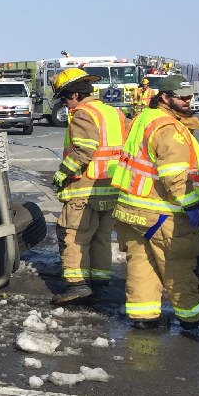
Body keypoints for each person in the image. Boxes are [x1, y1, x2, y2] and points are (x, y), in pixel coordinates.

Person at [111, 75, 199, 329]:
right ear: (165, 97)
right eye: (181, 97)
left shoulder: (144, 118)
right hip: (163, 212)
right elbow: (174, 174)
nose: (188, 101)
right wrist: (191, 205)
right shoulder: (169, 129)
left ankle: (144, 318)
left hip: (132, 209)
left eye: (190, 96)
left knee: (142, 264)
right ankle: (192, 316)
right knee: (179, 263)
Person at [50, 68, 128, 305]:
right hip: (111, 188)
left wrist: (61, 175)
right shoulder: (114, 113)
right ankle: (98, 284)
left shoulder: (83, 114)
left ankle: (76, 286)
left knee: (72, 236)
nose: (64, 104)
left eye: (64, 99)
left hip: (86, 188)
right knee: (101, 238)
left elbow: (84, 151)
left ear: (74, 95)